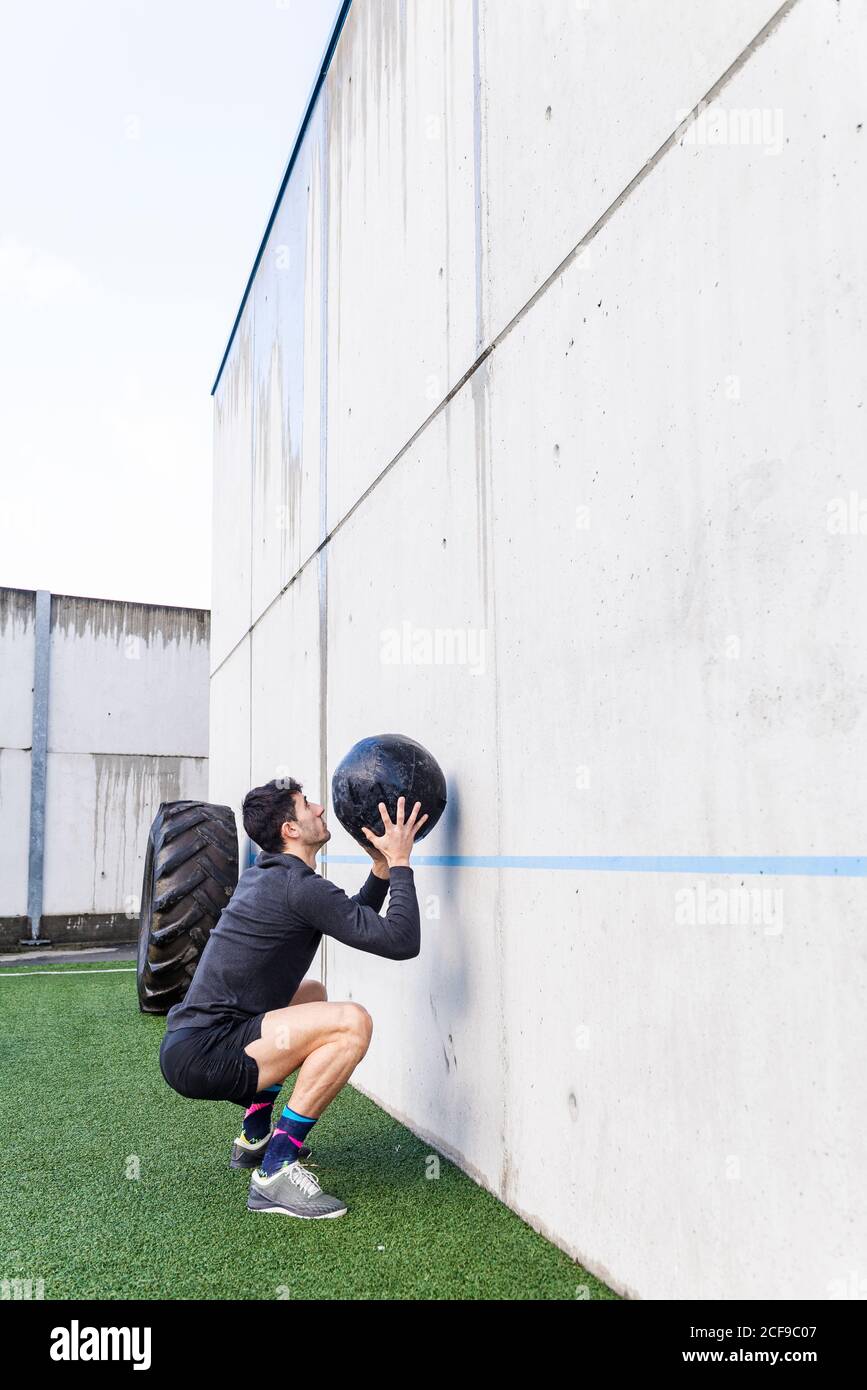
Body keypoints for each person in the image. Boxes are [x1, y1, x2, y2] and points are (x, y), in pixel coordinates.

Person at [158, 777, 427, 1219]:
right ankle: (276, 1171)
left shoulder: (276, 876)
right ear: (291, 830)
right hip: (206, 1053)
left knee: (311, 995)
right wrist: (400, 863)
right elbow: (401, 940)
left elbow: (351, 915)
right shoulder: (299, 887)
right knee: (352, 1023)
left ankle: (255, 1135)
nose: (320, 809)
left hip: (191, 1043)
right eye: (307, 805)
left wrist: (380, 869)